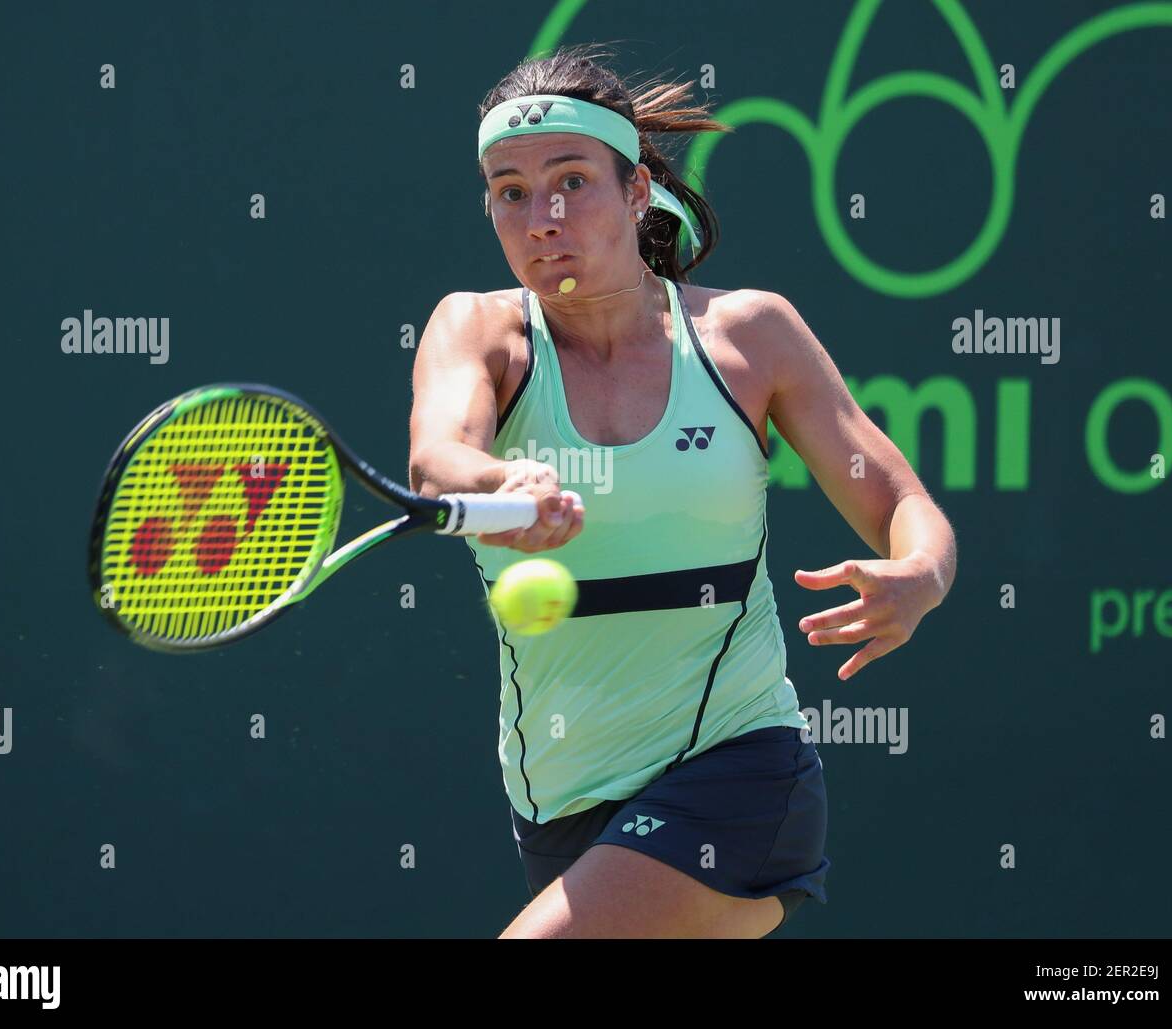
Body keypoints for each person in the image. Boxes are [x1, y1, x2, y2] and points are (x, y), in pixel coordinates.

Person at [407, 44, 956, 938]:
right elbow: (439, 461)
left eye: (572, 181)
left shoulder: (752, 336)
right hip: (560, 800)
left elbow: (900, 501)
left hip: (739, 771)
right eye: (510, 192)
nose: (541, 217)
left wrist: (921, 575)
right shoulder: (477, 329)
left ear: (636, 192)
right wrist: (504, 483)